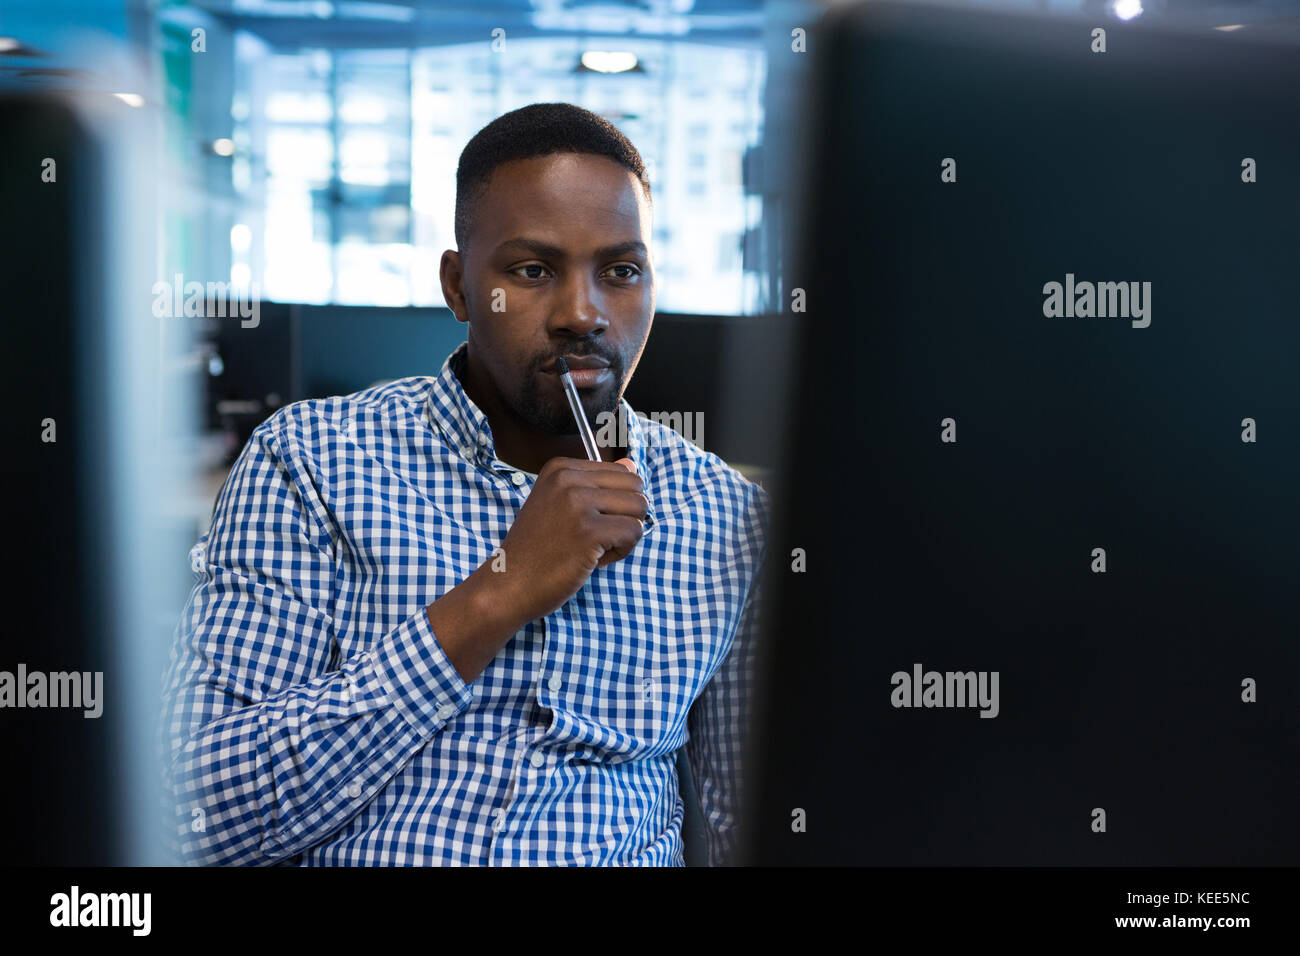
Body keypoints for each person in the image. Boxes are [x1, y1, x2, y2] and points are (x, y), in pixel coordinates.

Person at [157, 102, 768, 866]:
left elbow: (743, 823)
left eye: (621, 271)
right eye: (534, 270)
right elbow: (191, 820)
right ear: (458, 286)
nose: (583, 313)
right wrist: (498, 596)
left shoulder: (724, 516)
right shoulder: (312, 460)